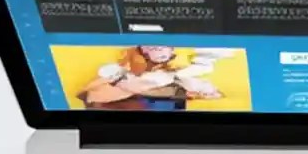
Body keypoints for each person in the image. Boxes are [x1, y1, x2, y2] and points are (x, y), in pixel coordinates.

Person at [77, 45, 224, 111]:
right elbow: (89, 95)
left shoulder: (177, 75)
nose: (158, 48)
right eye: (150, 47)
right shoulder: (126, 70)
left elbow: (214, 94)